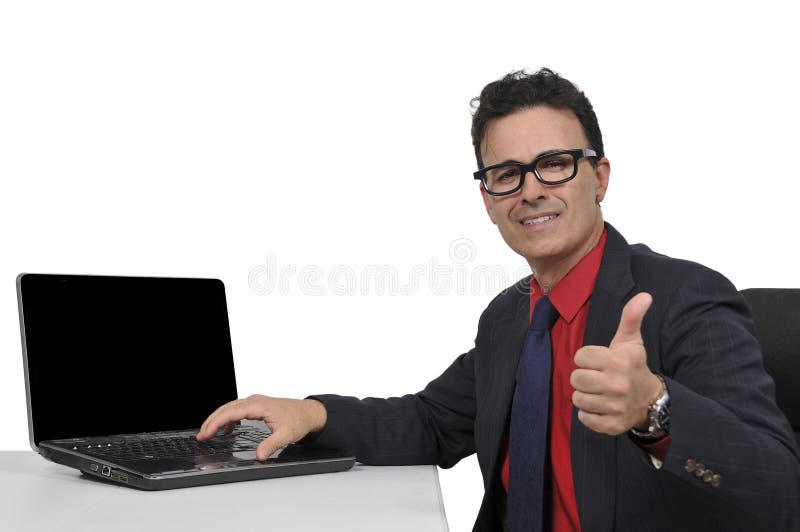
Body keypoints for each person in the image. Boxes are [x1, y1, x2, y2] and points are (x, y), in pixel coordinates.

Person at [197, 68, 800, 531]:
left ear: (601, 176)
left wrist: (655, 410)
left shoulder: (684, 298)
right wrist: (311, 412)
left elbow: (778, 492)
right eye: (506, 174)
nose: (531, 190)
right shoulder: (512, 318)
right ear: (489, 201)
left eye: (555, 164)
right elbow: (432, 421)